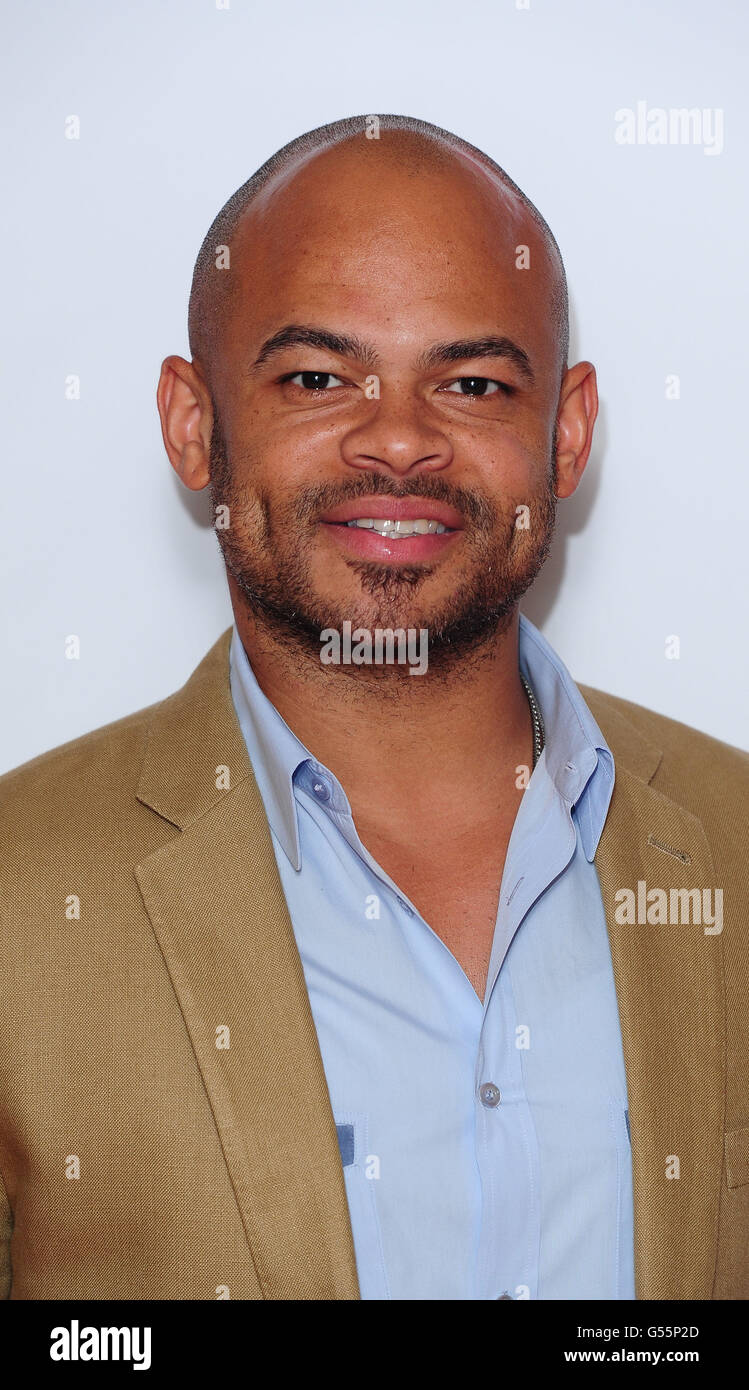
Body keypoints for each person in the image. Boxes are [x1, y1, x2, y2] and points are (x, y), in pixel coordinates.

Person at [1, 113, 747, 1302]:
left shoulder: (733, 841)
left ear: (564, 433)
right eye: (314, 377)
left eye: (469, 381)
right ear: (193, 423)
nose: (398, 439)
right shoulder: (21, 892)